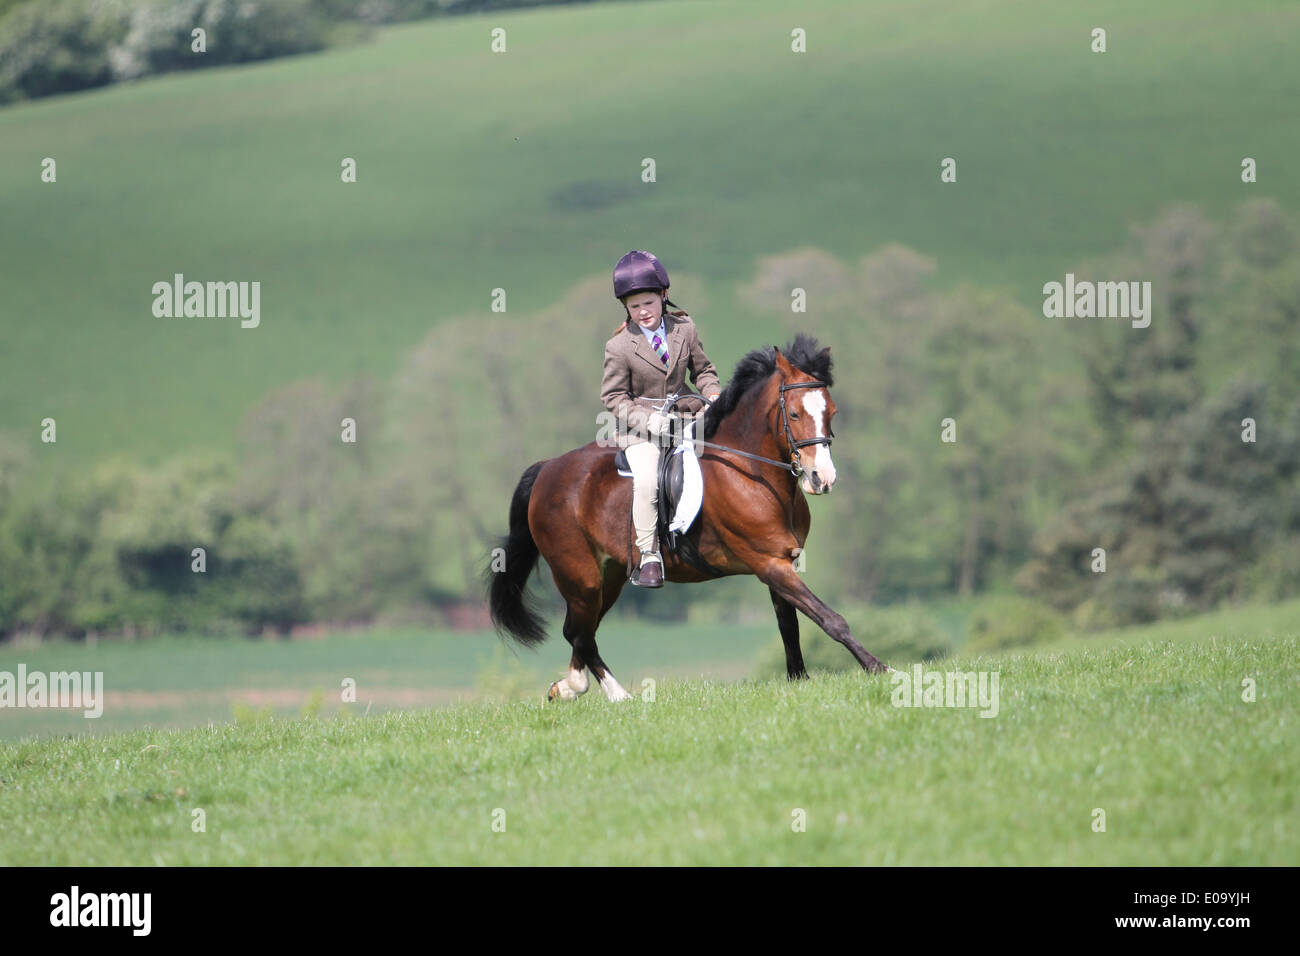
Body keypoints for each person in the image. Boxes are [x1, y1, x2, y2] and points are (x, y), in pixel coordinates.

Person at [600, 250, 722, 588]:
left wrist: (712, 395)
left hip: (686, 416)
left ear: (663, 297)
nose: (643, 312)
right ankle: (649, 555)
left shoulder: (685, 328)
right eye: (634, 306)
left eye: (649, 303)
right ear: (626, 307)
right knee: (649, 480)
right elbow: (613, 398)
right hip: (642, 430)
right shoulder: (619, 347)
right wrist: (650, 422)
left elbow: (704, 371)